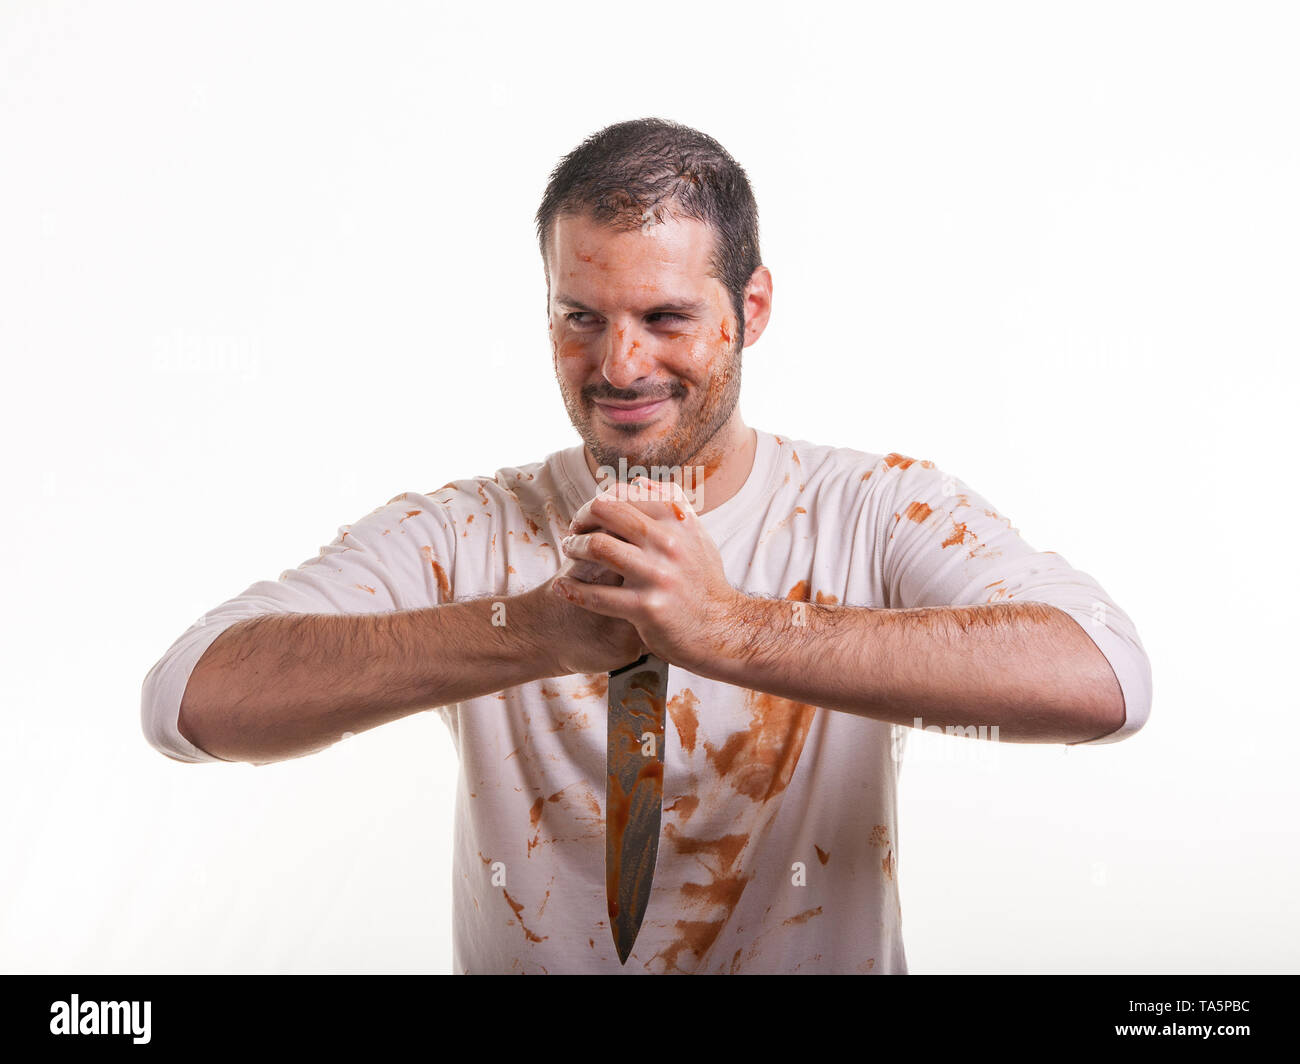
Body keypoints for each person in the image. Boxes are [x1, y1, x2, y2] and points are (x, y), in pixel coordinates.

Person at [141, 117, 1152, 974]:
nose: (621, 365)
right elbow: (189, 700)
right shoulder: (467, 528)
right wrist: (535, 630)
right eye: (581, 318)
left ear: (749, 309)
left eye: (667, 316)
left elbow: (1101, 679)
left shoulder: (871, 509)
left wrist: (730, 629)